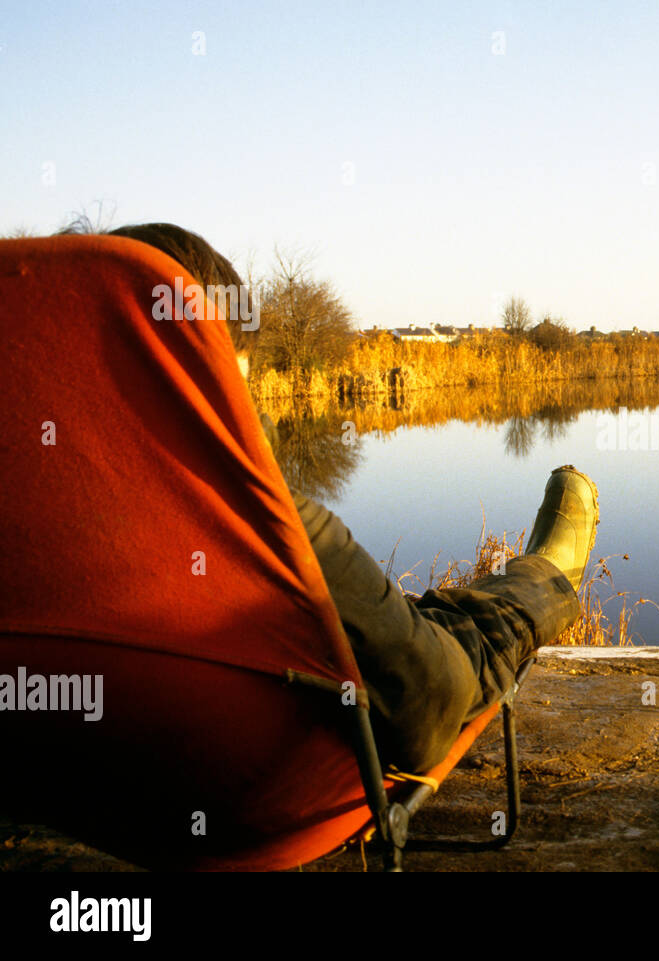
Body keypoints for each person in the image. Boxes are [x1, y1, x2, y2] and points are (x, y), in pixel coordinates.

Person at [101, 222, 599, 775]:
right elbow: (427, 704)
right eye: (237, 396)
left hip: (84, 787)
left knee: (389, 627)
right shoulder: (273, 531)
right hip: (262, 795)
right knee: (452, 650)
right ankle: (546, 577)